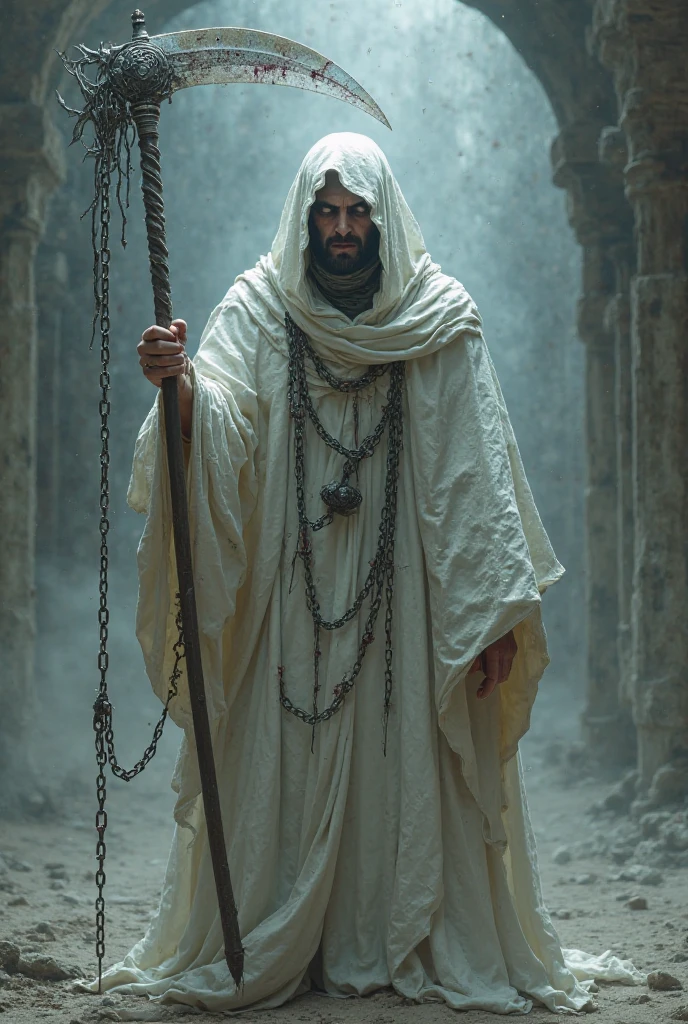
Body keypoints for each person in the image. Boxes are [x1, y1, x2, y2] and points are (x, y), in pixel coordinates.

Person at [99, 133, 641, 1012]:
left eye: (357, 214)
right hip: (291, 588)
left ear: (383, 221)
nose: (342, 230)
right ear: (305, 218)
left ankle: (396, 932)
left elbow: (476, 471)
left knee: (404, 761)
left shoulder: (438, 312)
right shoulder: (257, 304)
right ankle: (284, 929)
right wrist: (182, 388)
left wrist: (492, 615)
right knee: (288, 751)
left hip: (408, 602)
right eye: (327, 214)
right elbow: (225, 416)